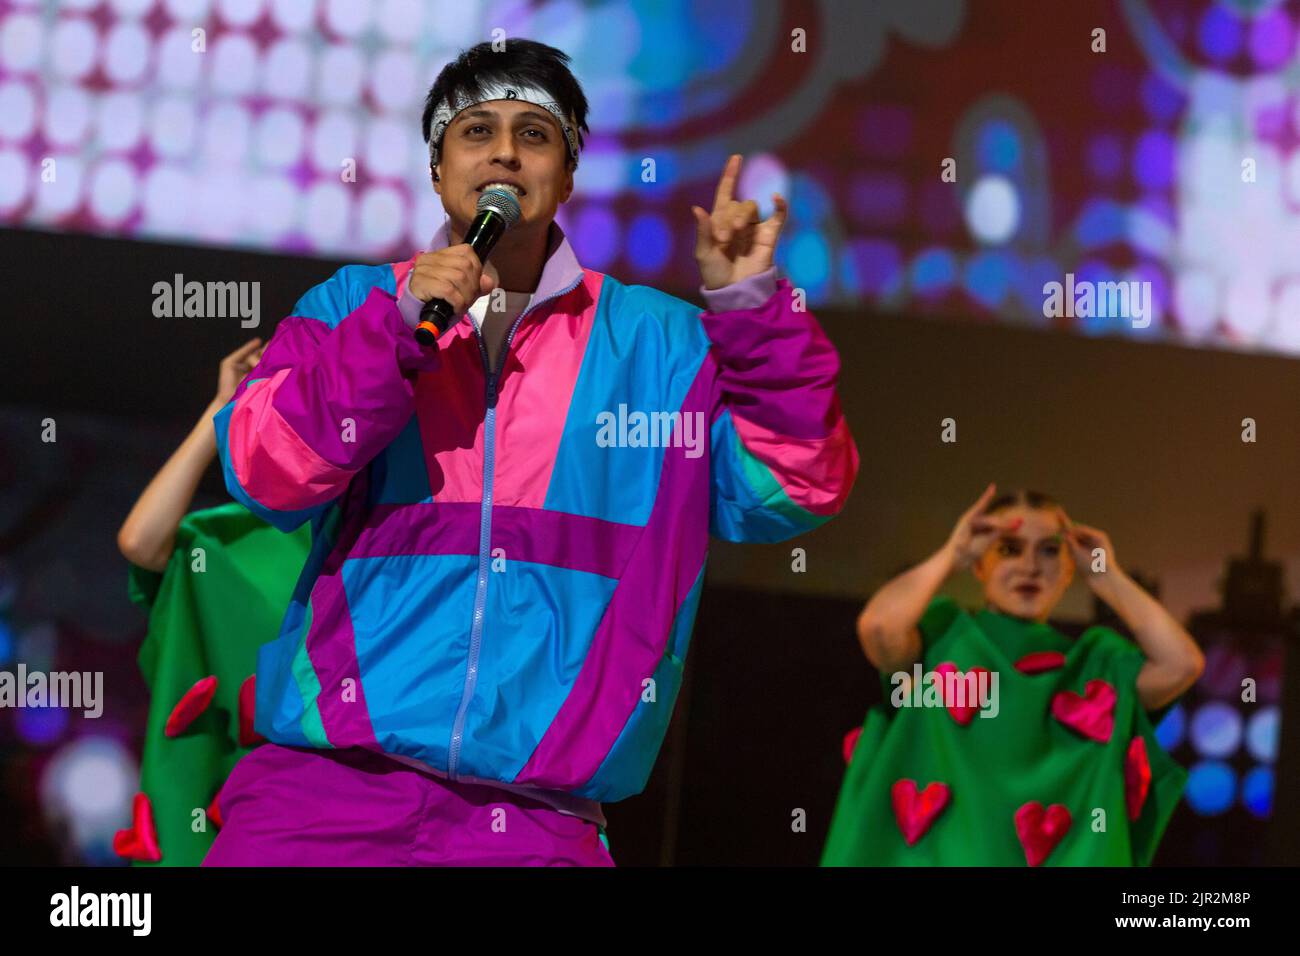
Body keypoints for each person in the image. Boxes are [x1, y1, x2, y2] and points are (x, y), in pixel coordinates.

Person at [203, 38, 860, 866]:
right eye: (477, 131)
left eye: (535, 134)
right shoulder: (354, 305)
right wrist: (394, 334)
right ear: (440, 169)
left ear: (569, 176)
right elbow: (267, 471)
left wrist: (751, 306)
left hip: (536, 819)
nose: (506, 150)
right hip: (321, 795)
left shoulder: (663, 347)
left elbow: (795, 487)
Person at [821, 484, 1204, 866]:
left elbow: (1181, 665)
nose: (1030, 566)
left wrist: (1108, 577)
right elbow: (878, 628)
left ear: (1071, 567)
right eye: (1009, 548)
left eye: (1050, 550)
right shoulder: (941, 639)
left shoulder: (1095, 667)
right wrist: (951, 555)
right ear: (979, 563)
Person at [117, 339, 311, 865]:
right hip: (246, 821)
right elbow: (141, 542)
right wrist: (220, 407)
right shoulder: (233, 542)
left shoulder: (390, 539)